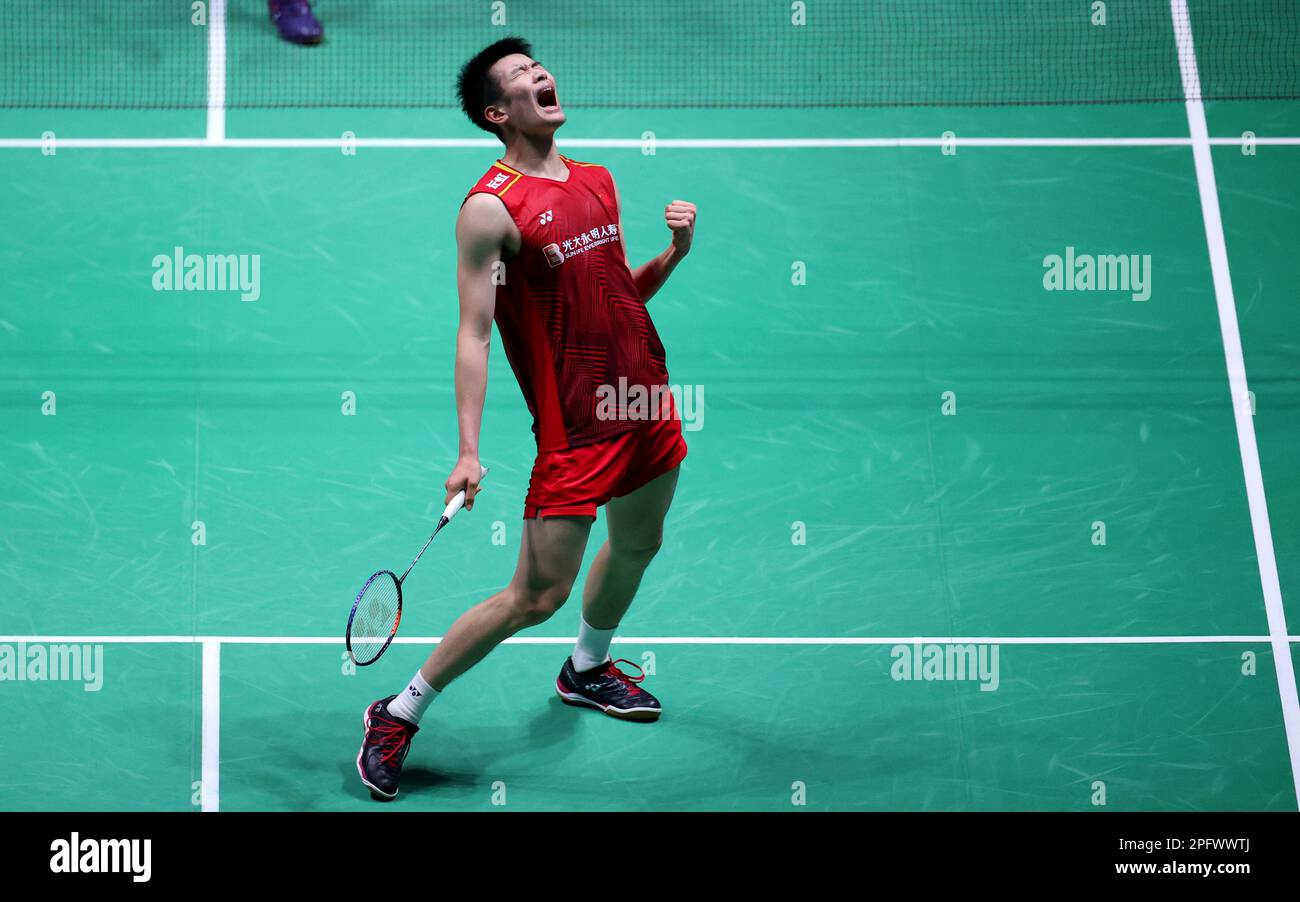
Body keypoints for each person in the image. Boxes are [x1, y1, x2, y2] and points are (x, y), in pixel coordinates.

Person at [355, 37, 698, 800]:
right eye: (519, 77)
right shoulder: (490, 209)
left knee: (639, 544)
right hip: (575, 430)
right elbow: (473, 332)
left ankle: (588, 669)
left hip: (643, 403)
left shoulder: (599, 182)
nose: (540, 76)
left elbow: (617, 299)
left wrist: (672, 254)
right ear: (497, 112)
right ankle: (398, 711)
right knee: (533, 598)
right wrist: (468, 449)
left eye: (538, 67)